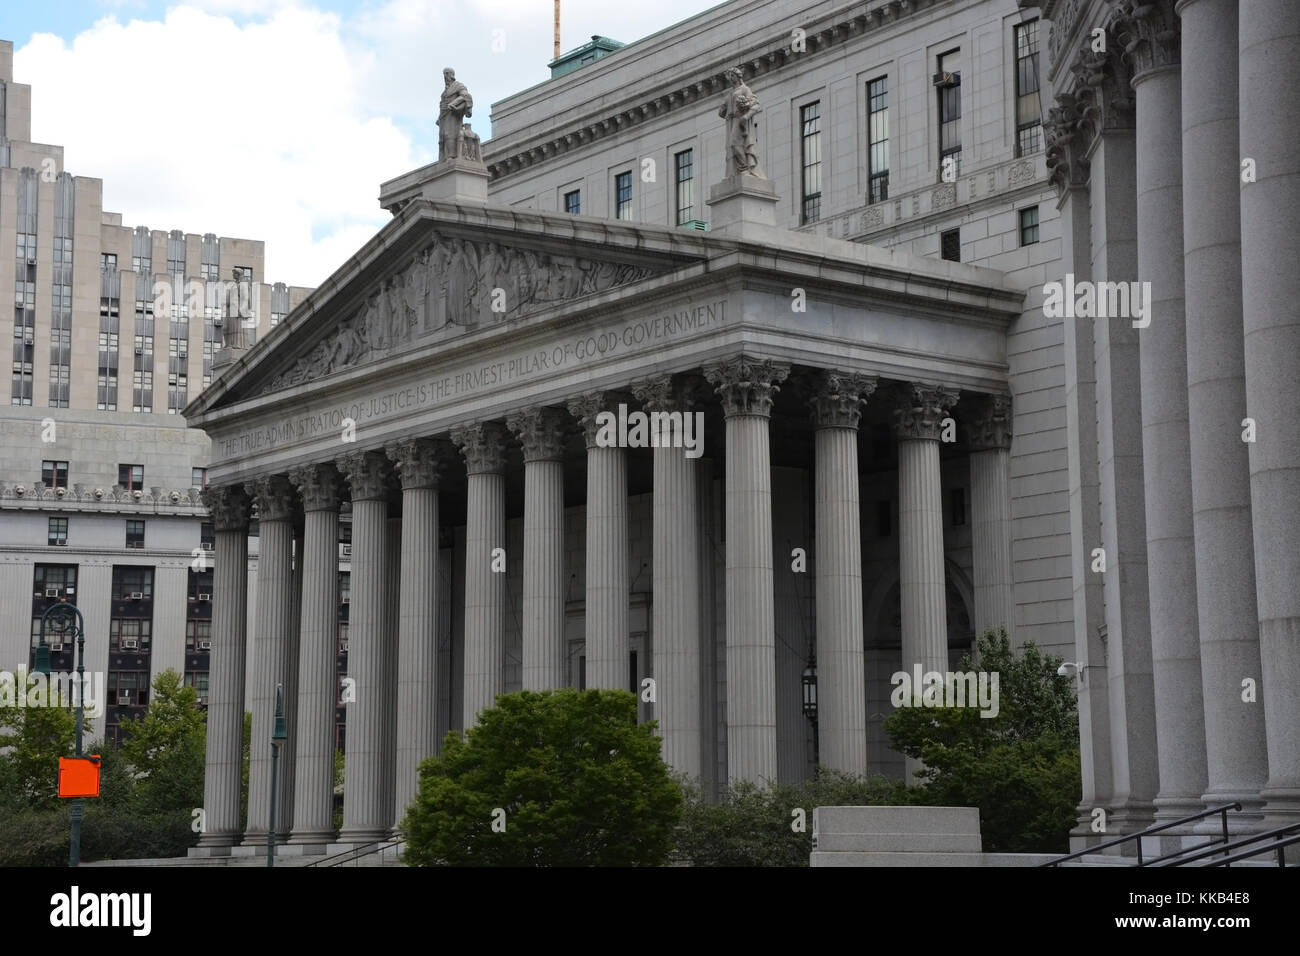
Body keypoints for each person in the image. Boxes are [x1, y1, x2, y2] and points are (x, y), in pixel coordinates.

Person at [718, 67, 765, 178]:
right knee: (730, 147)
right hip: (730, 122)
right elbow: (721, 113)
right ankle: (736, 171)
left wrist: (746, 116)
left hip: (739, 120)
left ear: (738, 76)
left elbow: (756, 105)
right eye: (729, 76)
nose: (730, 78)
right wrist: (723, 109)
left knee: (734, 144)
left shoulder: (744, 89)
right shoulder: (730, 94)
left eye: (732, 76)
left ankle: (744, 168)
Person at [438, 68, 473, 160]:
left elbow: (466, 96)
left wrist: (453, 104)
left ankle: (451, 156)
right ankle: (443, 158)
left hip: (453, 114)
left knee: (449, 134)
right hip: (443, 115)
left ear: (452, 75)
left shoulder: (458, 86)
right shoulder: (444, 92)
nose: (445, 77)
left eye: (447, 74)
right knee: (442, 138)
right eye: (444, 74)